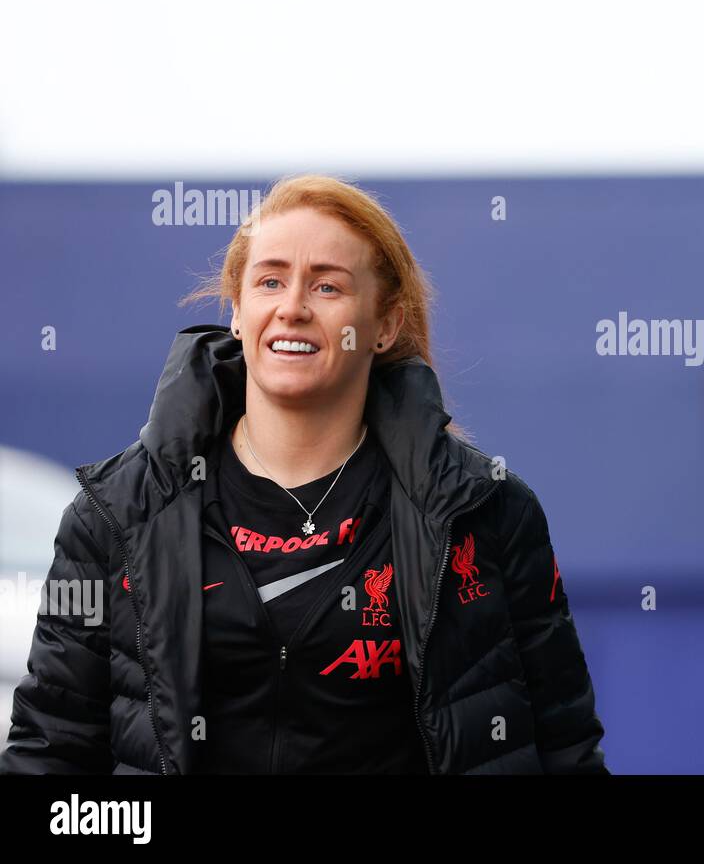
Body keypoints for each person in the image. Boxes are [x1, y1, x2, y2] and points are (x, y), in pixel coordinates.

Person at [0, 174, 609, 774]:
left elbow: (567, 748)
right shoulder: (116, 514)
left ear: (386, 325)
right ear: (237, 311)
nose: (292, 308)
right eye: (269, 281)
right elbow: (50, 753)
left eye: (326, 286)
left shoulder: (484, 511)